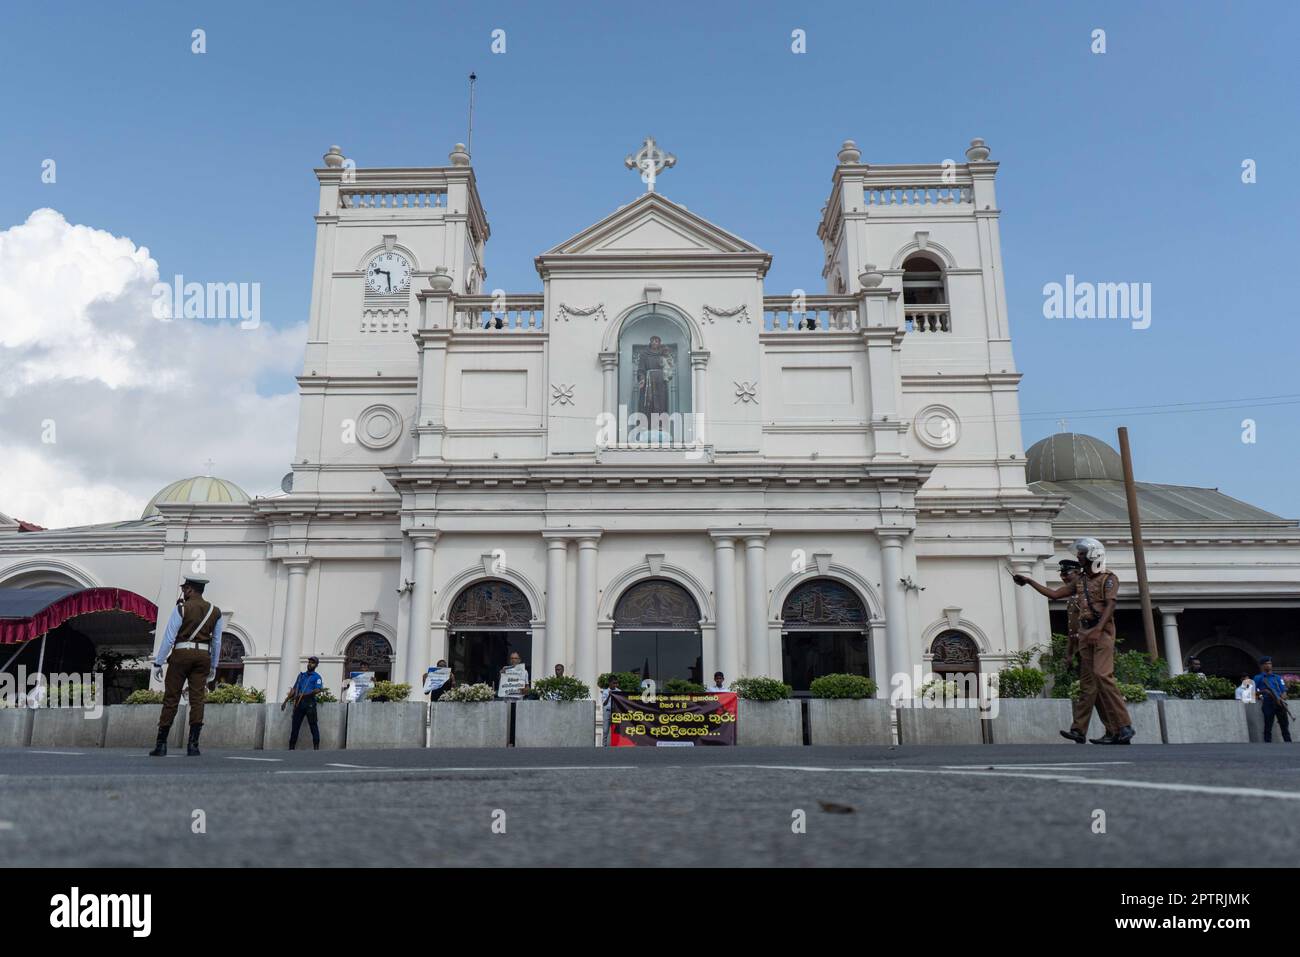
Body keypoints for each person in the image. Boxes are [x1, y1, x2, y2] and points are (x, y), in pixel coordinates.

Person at [1013, 538, 1135, 745]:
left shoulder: (1108, 578)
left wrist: (1098, 629)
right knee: (1089, 685)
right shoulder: (1081, 581)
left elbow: (1110, 606)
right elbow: (1053, 594)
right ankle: (1089, 731)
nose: (1078, 557)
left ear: (1092, 555)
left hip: (1102, 632)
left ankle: (1124, 726)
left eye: (1080, 554)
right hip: (1085, 634)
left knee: (1102, 675)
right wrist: (1029, 581)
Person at [150, 576, 223, 757]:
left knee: (171, 697)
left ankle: (161, 744)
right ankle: (193, 745)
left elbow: (169, 637)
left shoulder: (181, 608)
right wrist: (213, 664)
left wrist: (159, 662)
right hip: (203, 657)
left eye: (184, 589)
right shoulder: (215, 611)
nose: (183, 592)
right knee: (197, 699)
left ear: (190, 590)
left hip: (181, 654)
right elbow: (217, 640)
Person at [282, 655, 324, 750]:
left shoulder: (317, 677)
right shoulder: (301, 676)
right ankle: (291, 746)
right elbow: (294, 689)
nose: (310, 664)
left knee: (313, 725)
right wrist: (285, 701)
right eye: (309, 662)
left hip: (310, 703)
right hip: (299, 703)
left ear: (316, 665)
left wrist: (303, 695)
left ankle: (316, 747)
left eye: (312, 662)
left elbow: (317, 690)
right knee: (295, 725)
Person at [1254, 656, 1291, 743]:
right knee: (1268, 725)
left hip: (1280, 703)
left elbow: (1284, 690)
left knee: (1284, 725)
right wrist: (1264, 691)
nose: (1268, 665)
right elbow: (1252, 692)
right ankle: (1267, 744)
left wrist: (1282, 697)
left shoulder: (1277, 677)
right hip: (1268, 703)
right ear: (1262, 666)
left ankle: (1288, 743)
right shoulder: (1258, 678)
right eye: (1266, 664)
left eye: (1270, 663)